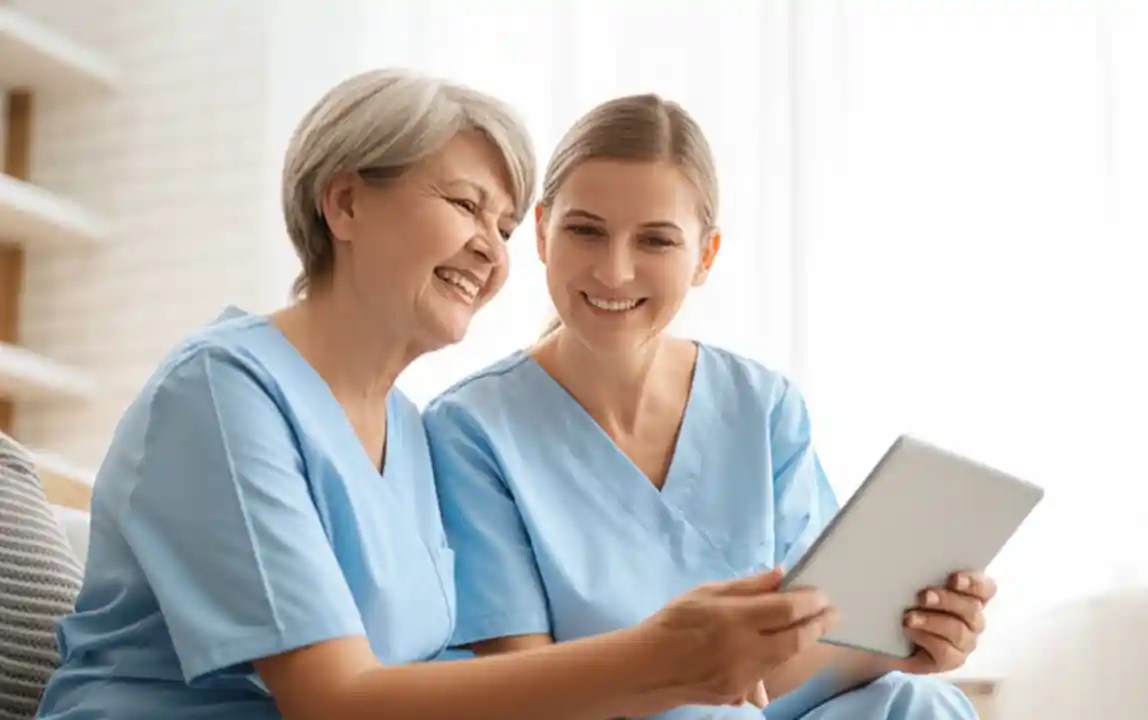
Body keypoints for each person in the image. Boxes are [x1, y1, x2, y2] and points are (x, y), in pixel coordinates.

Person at [35, 70, 838, 720]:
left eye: (504, 223)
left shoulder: (410, 436)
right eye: (463, 205)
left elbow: (444, 682)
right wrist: (663, 659)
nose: (490, 248)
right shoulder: (223, 392)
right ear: (346, 203)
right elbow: (331, 699)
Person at [424, 94, 993, 719]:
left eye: (656, 241)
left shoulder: (762, 406)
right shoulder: (472, 430)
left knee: (918, 702)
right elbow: (523, 690)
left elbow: (791, 662)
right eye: (586, 230)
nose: (615, 271)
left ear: (705, 256)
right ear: (540, 232)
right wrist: (678, 679)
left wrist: (906, 646)